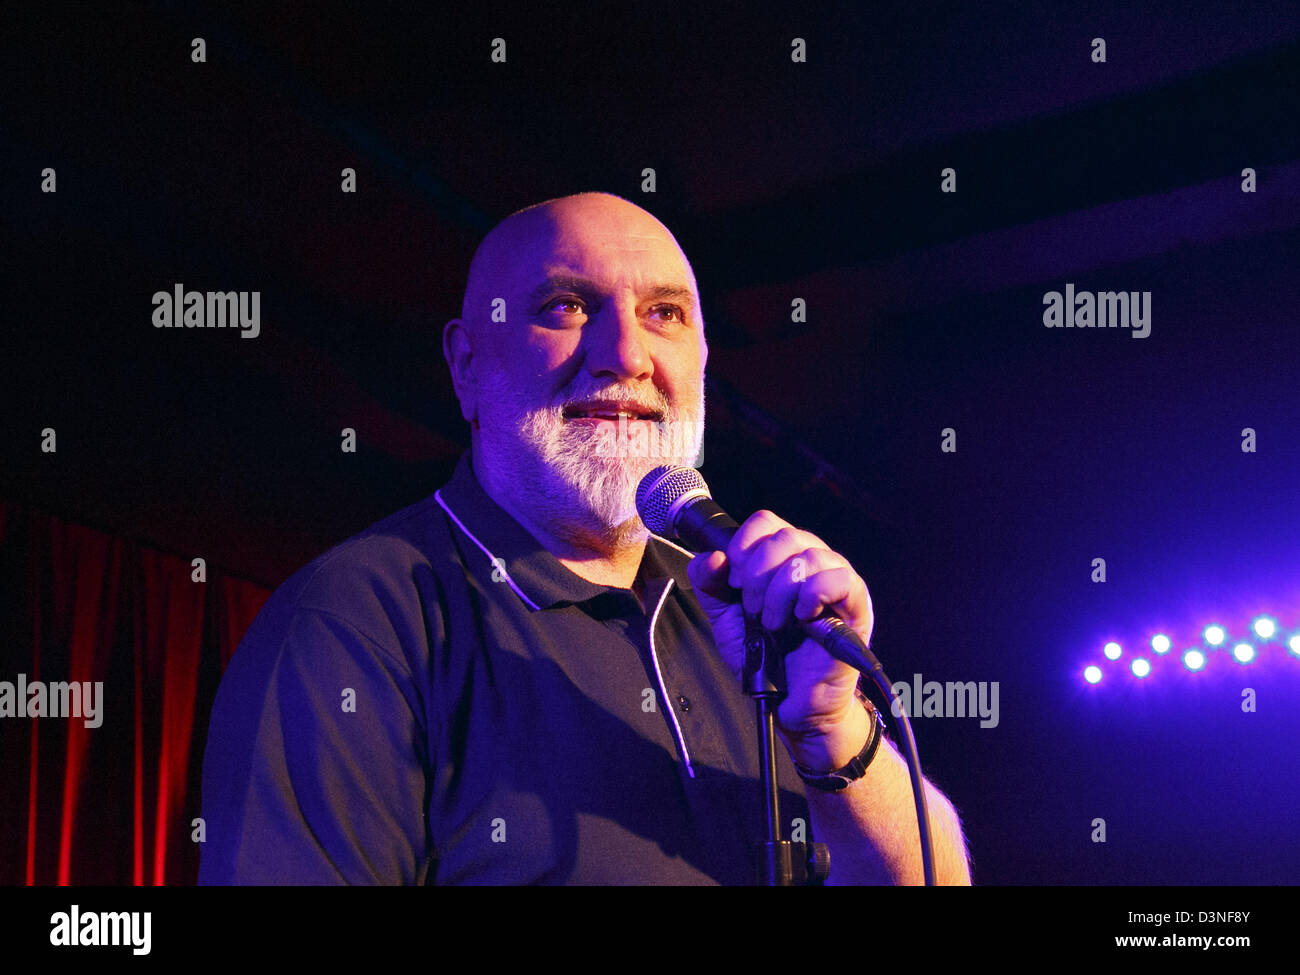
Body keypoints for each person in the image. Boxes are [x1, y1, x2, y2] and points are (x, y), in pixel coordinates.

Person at [198, 192, 972, 885]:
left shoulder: (748, 602)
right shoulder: (359, 619)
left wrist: (835, 731)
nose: (627, 356)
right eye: (567, 307)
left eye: (664, 314)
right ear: (468, 364)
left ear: (701, 362)